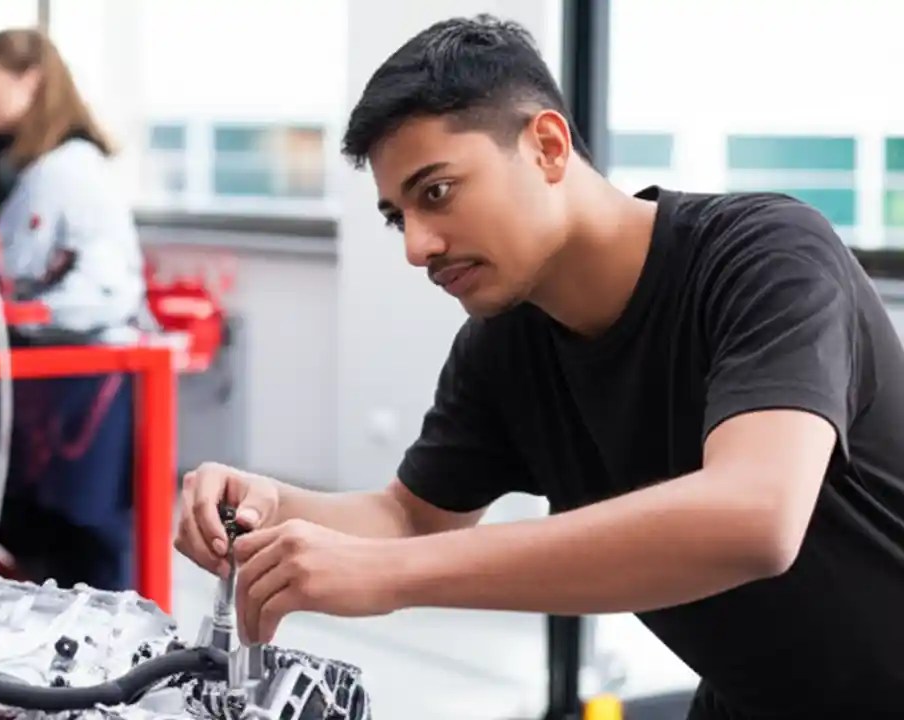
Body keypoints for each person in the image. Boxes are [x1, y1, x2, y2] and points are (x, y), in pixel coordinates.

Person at [175, 15, 904, 720]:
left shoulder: (765, 256)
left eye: (436, 192)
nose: (417, 246)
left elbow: (754, 517)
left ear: (547, 147)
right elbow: (410, 518)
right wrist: (269, 502)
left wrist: (389, 578)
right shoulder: (504, 346)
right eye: (399, 217)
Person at [0, 28, 146, 590]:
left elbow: (7, 269)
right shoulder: (35, 165)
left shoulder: (63, 169)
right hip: (61, 373)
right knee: (48, 532)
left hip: (82, 376)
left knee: (80, 536)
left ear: (30, 81)